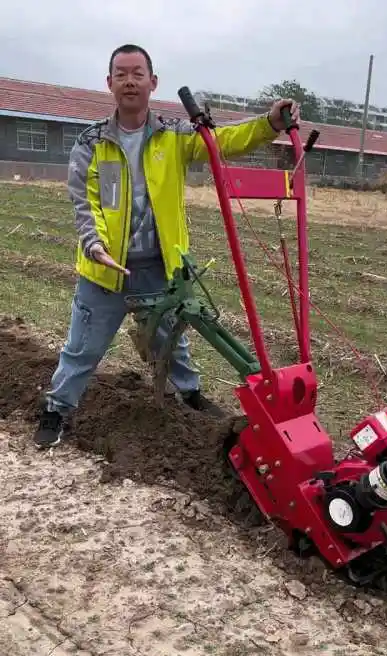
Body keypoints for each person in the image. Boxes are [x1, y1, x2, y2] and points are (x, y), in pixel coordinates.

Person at [34, 43, 300, 448]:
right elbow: (85, 205)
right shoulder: (92, 144)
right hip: (106, 271)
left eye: (137, 73)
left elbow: (222, 141)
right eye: (120, 74)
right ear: (109, 83)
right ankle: (56, 411)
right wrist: (95, 247)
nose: (129, 81)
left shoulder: (174, 137)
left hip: (161, 268)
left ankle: (188, 396)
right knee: (82, 349)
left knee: (172, 342)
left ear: (152, 82)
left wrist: (269, 124)